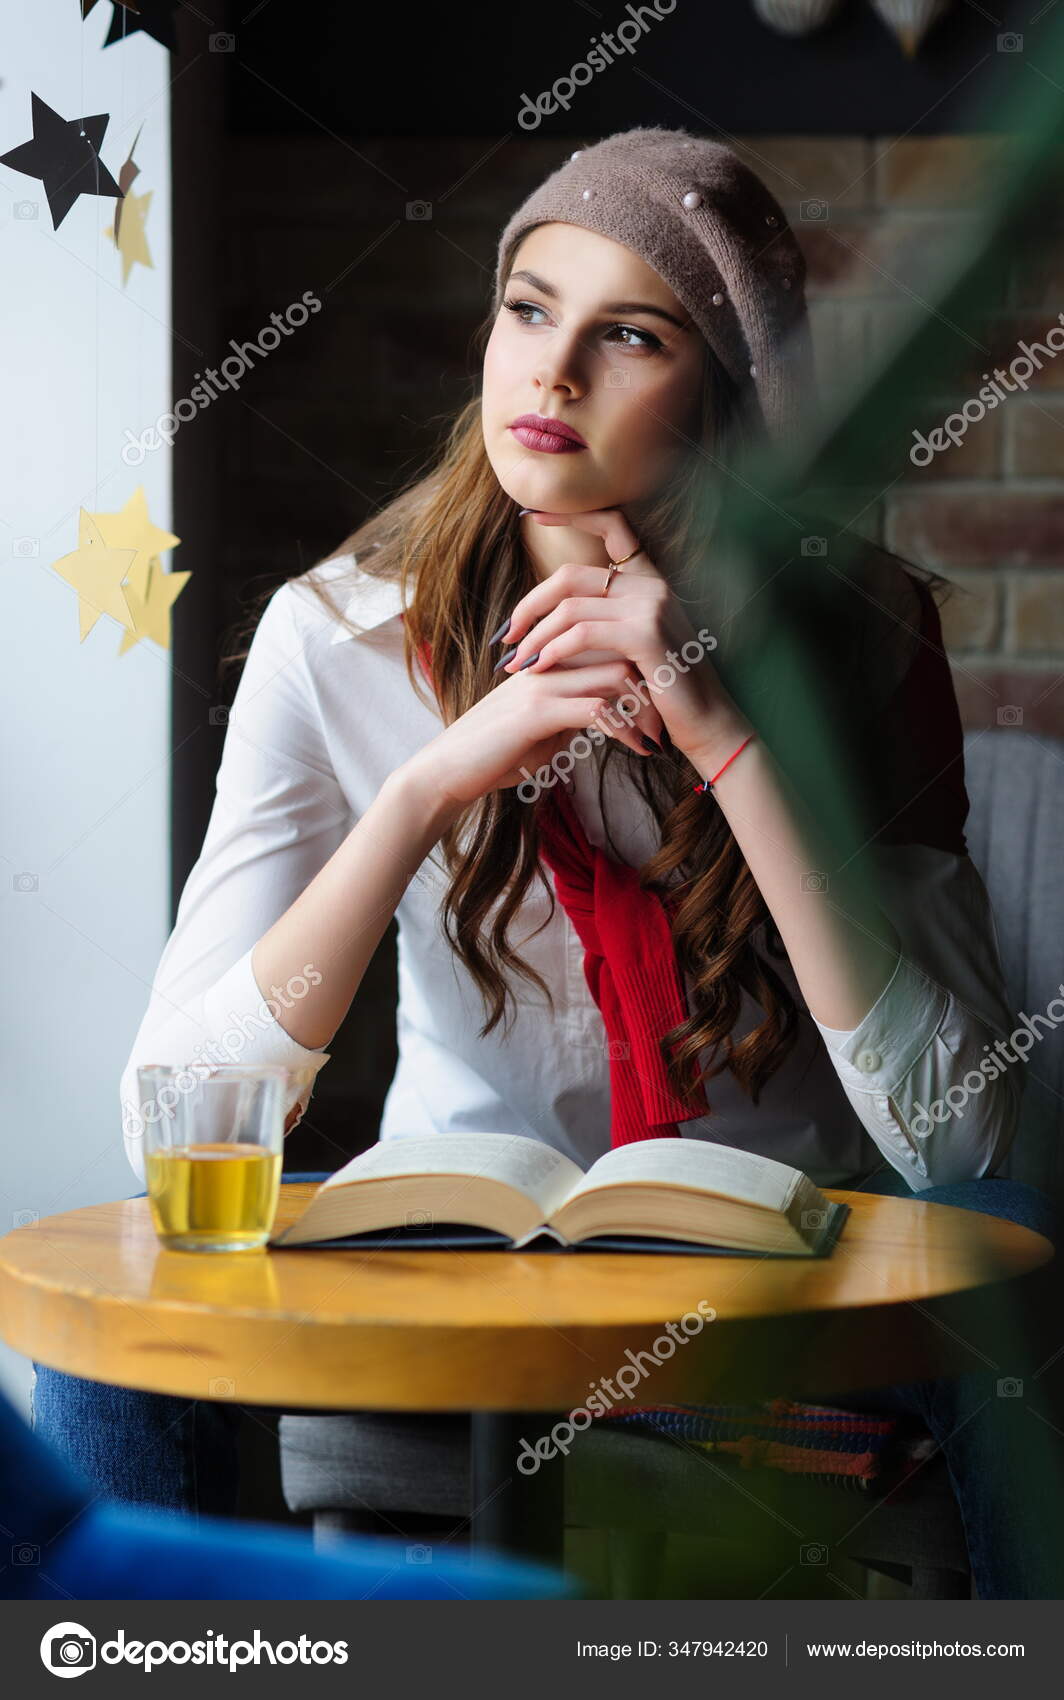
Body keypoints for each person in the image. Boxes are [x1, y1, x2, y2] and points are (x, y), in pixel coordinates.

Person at [32, 128, 1062, 1598]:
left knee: (1011, 1251)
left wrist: (732, 751)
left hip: (774, 1269)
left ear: (724, 400)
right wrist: (427, 787)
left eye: (628, 335)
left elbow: (965, 1143)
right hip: (457, 1259)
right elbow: (171, 1124)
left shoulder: (863, 639)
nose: (551, 374)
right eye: (528, 308)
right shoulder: (334, 638)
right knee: (115, 1306)